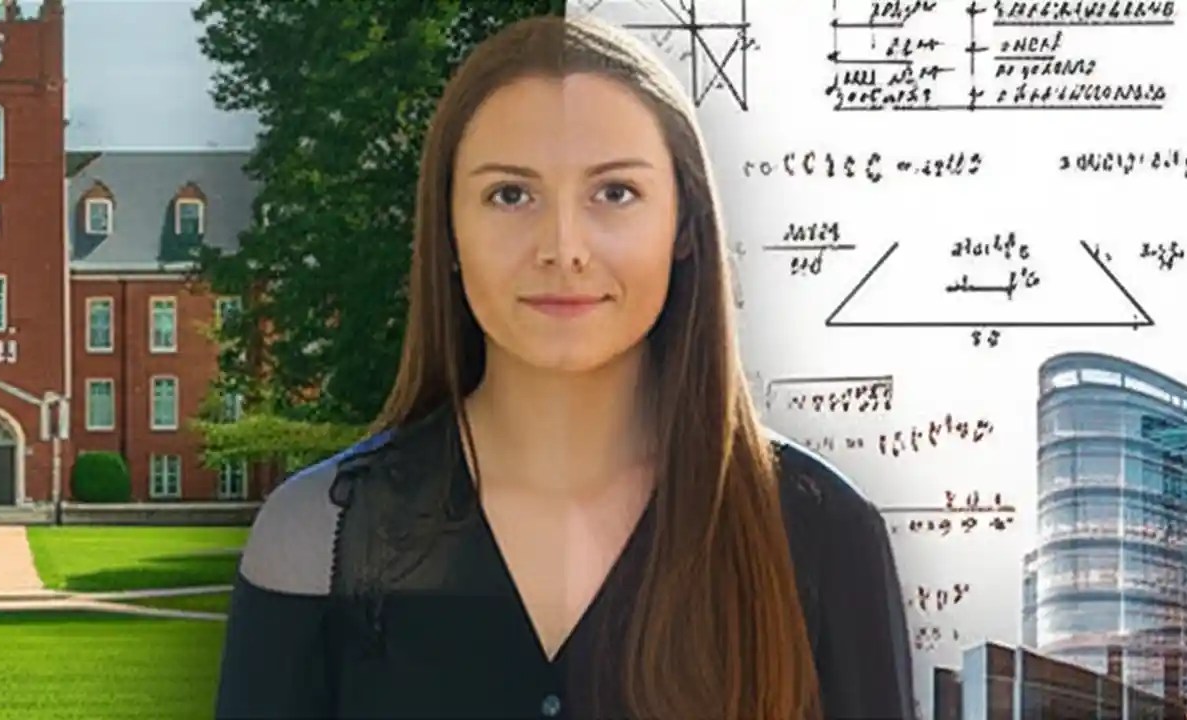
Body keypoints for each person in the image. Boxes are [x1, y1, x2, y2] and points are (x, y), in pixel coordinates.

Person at [214, 13, 914, 720]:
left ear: (686, 226)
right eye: (510, 195)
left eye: (614, 193)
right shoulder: (315, 542)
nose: (563, 247)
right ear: (448, 231)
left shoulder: (826, 537)